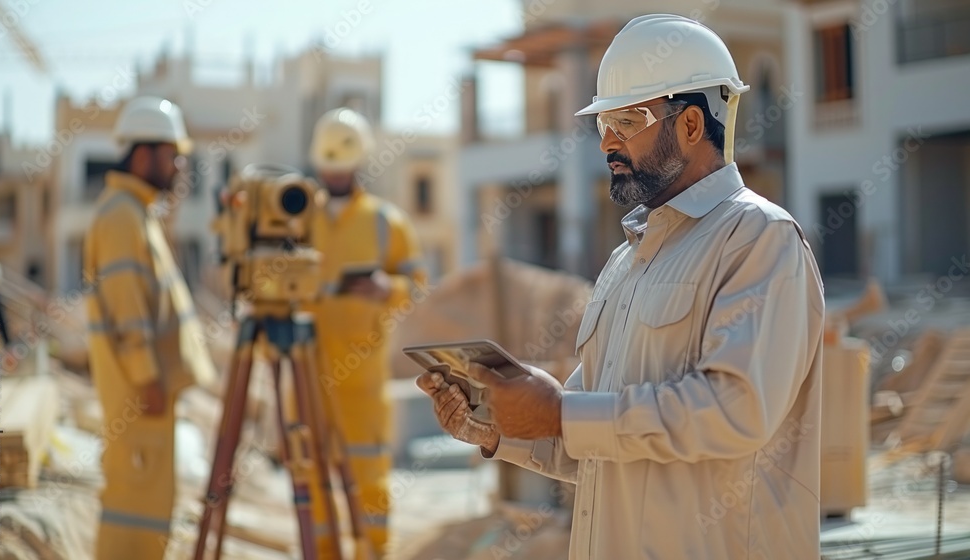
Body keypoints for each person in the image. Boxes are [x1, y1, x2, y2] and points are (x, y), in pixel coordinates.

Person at [417, 14, 825, 560]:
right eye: (602, 123)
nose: (608, 140)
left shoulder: (758, 239)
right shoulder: (626, 259)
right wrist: (496, 425)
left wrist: (561, 412)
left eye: (627, 121)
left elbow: (734, 412)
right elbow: (598, 443)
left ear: (691, 125)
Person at [83, 96, 216, 559]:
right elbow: (127, 309)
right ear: (143, 156)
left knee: (147, 502)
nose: (180, 165)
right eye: (172, 154)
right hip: (139, 394)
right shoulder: (121, 215)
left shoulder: (135, 212)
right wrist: (146, 377)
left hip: (144, 395)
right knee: (134, 505)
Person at [303, 107, 428, 558]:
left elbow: (416, 286)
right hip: (307, 370)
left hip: (362, 375)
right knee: (312, 474)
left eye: (342, 164)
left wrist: (386, 287)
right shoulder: (297, 217)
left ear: (358, 163)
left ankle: (372, 553)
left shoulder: (384, 221)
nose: (334, 173)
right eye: (328, 165)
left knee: (369, 478)